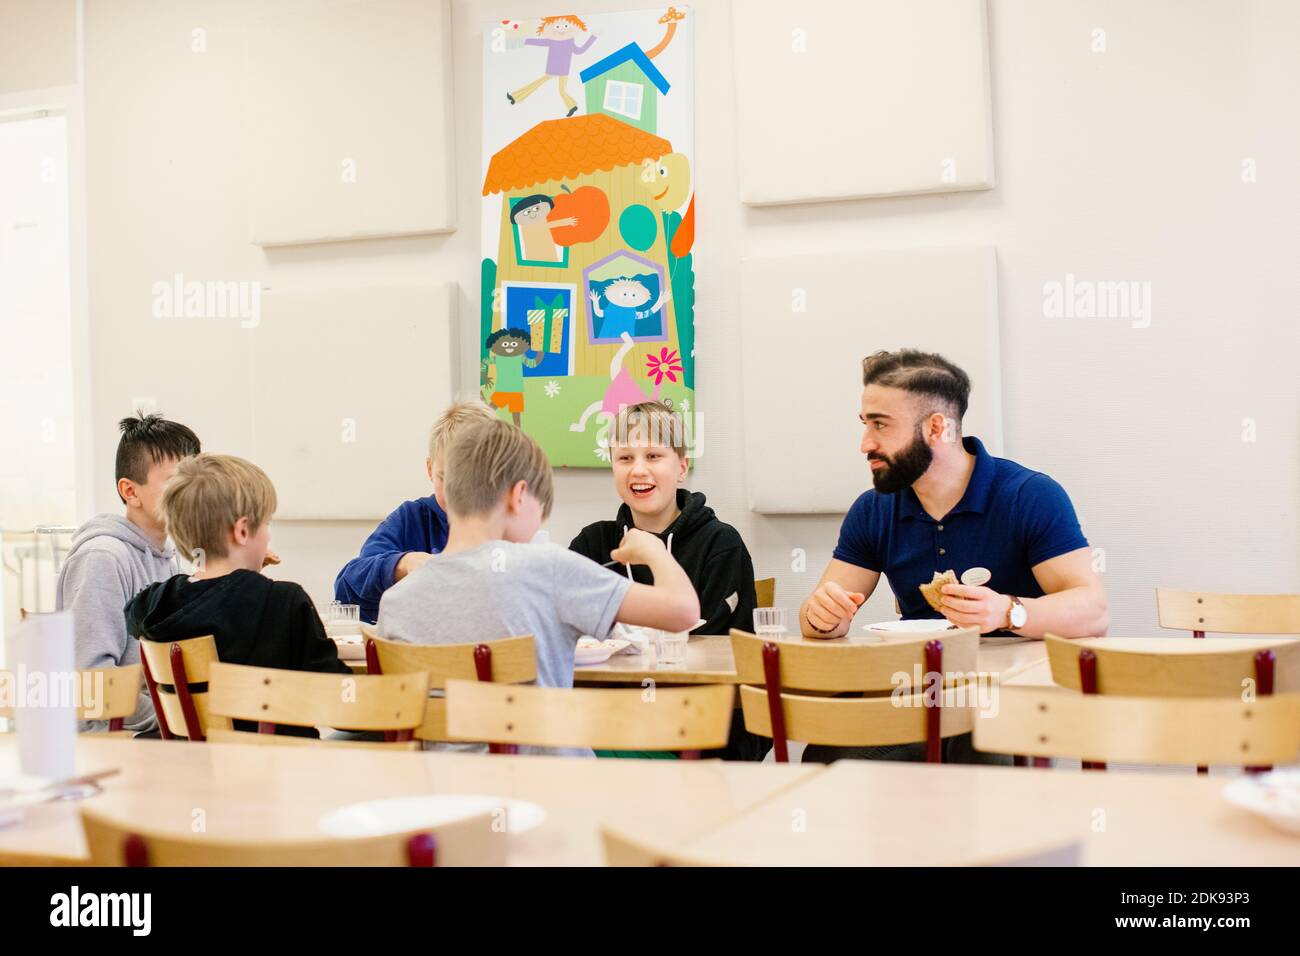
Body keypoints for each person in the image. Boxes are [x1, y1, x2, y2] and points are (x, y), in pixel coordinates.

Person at [799, 349, 1108, 764]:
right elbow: (818, 622)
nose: (865, 444)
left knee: (981, 757)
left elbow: (1093, 611)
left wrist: (1007, 612)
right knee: (827, 756)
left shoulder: (1029, 495)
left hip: (1007, 699)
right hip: (911, 691)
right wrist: (822, 617)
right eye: (865, 424)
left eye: (880, 425)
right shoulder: (874, 508)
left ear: (936, 428)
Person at [377, 417, 700, 754]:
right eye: (540, 511)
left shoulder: (396, 601)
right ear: (518, 496)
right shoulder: (547, 568)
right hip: (551, 791)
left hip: (447, 797)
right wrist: (654, 551)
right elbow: (683, 611)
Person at [570, 400, 763, 760]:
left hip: (699, 727)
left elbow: (732, 659)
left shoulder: (721, 545)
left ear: (682, 468)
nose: (637, 470)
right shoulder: (592, 544)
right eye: (624, 458)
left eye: (654, 456)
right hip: (608, 717)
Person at [126, 454, 349, 738]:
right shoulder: (283, 602)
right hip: (278, 772)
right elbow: (337, 704)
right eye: (267, 523)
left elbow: (206, 596)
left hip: (189, 767)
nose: (268, 535)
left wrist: (240, 577)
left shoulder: (153, 604)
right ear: (243, 530)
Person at [56, 412, 201, 732]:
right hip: (112, 741)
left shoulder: (171, 558)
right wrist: (179, 719)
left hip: (157, 729)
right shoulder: (102, 558)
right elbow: (93, 683)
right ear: (130, 491)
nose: (190, 493)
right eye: (176, 481)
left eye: (194, 481)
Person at [333, 401, 497, 623]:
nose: (458, 492)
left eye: (472, 478)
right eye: (445, 478)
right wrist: (403, 564)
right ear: (430, 470)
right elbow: (347, 586)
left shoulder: (508, 525)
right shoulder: (412, 518)